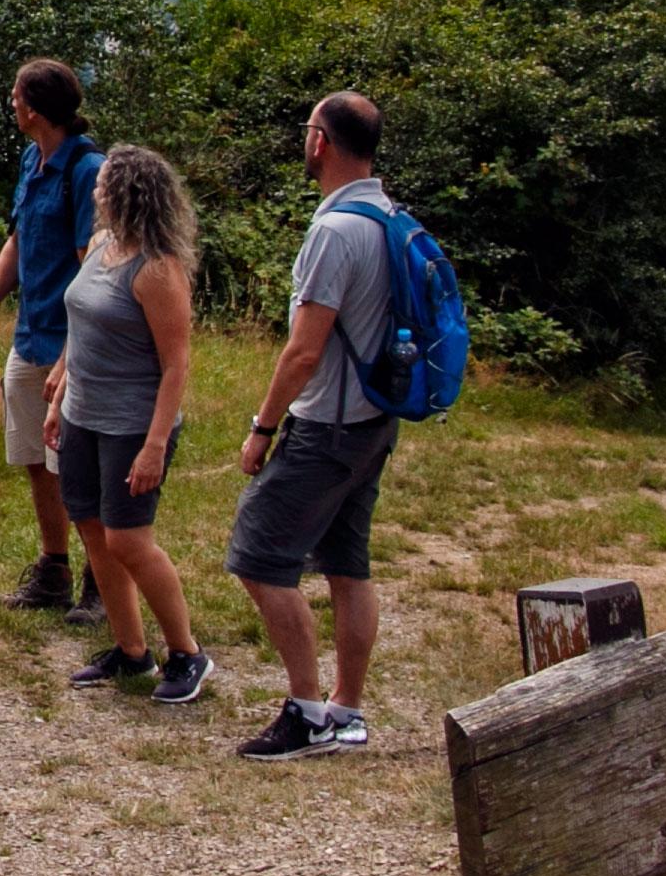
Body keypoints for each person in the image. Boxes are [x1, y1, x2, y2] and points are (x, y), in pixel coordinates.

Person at [226, 90, 401, 761]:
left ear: (320, 141)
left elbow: (303, 350)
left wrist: (262, 429)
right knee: (347, 565)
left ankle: (306, 713)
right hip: (373, 421)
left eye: (308, 131)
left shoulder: (333, 231)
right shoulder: (387, 216)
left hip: (325, 426)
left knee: (260, 555)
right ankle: (347, 710)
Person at [43, 144, 212, 704]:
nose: (95, 189)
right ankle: (131, 652)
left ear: (125, 192)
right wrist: (59, 391)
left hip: (133, 425)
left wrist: (155, 444)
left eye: (104, 182)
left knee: (129, 541)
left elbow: (176, 364)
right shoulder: (101, 246)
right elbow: (82, 322)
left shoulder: (158, 269)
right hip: (82, 417)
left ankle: (187, 654)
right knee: (92, 530)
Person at [0, 58, 102, 615]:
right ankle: (53, 571)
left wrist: (72, 356)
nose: (10, 106)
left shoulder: (88, 171)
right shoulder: (30, 160)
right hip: (31, 333)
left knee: (79, 468)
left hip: (73, 344)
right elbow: (19, 240)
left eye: (14, 97)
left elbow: (95, 272)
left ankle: (101, 582)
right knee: (35, 456)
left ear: (34, 108)